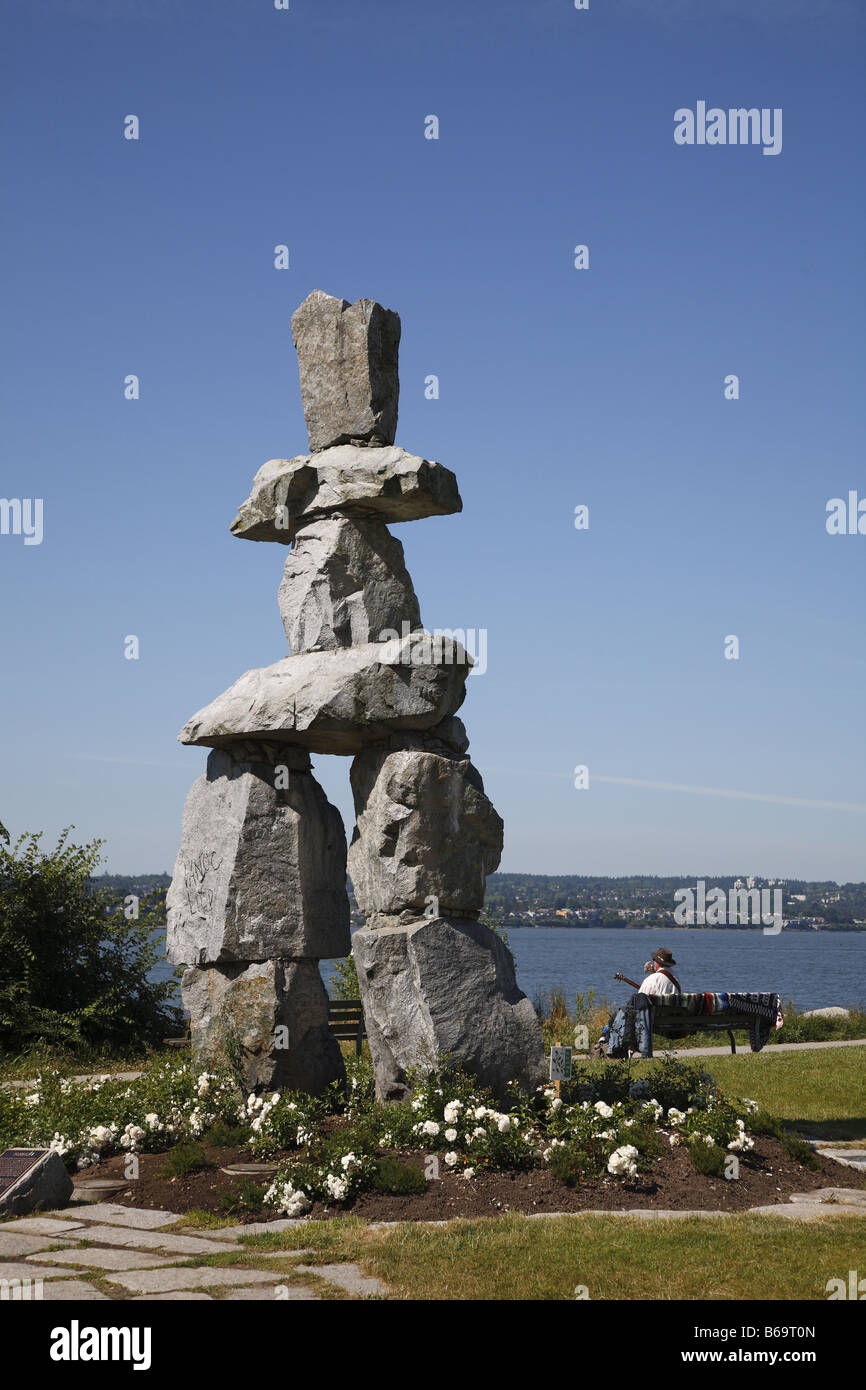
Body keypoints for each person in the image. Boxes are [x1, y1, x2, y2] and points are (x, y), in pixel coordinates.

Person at [592, 948, 682, 1057]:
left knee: (616, 1018)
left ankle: (607, 1046)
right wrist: (654, 973)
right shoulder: (676, 978)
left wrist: (653, 975)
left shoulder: (651, 980)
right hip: (670, 1017)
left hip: (650, 1020)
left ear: (657, 963)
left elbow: (640, 1001)